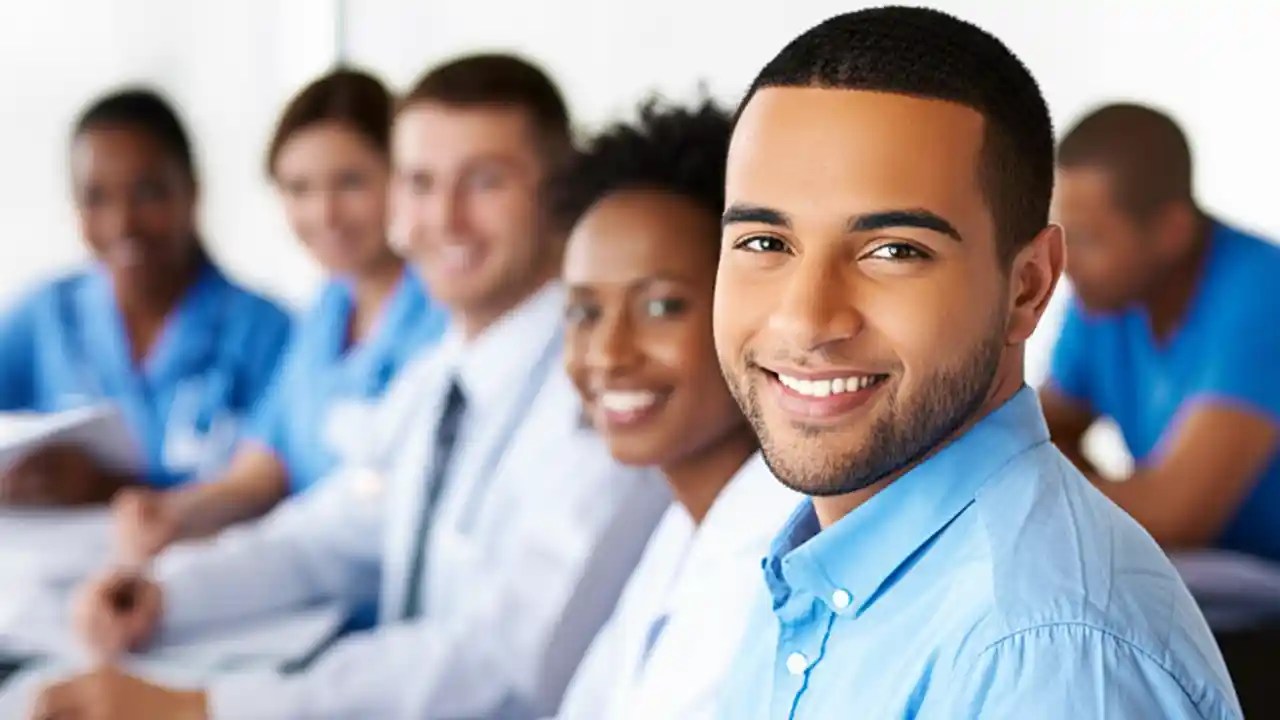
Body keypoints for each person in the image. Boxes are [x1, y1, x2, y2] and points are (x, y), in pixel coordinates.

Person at [28, 54, 668, 720]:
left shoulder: (603, 391)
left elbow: (501, 666)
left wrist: (202, 709)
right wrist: (167, 593)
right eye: (420, 182)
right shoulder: (443, 375)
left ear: (559, 196)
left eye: (484, 182)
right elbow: (333, 534)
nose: (444, 218)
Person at [713, 7, 1239, 719]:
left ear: (1026, 287)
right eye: (765, 243)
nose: (806, 320)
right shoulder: (819, 564)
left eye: (895, 251)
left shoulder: (1047, 659)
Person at [111, 69, 448, 562]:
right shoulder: (328, 311)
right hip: (302, 579)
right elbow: (267, 465)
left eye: (350, 183)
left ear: (403, 179)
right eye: (299, 189)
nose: (325, 214)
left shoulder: (440, 315)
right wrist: (175, 512)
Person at [551, 99, 798, 720]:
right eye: (585, 312)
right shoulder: (686, 521)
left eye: (661, 307)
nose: (607, 353)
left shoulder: (785, 559)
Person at [0, 89, 291, 506]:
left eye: (148, 192)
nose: (122, 223)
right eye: (96, 198)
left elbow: (281, 498)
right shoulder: (48, 316)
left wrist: (111, 488)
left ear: (191, 191)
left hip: (208, 567)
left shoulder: (266, 335)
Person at [1043, 103, 1280, 561]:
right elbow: (1033, 432)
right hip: (1204, 579)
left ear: (1171, 230)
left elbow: (1177, 515)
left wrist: (1038, 482)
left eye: (1090, 239)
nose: (1064, 264)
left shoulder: (1262, 294)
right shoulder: (1105, 296)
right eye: (1061, 236)